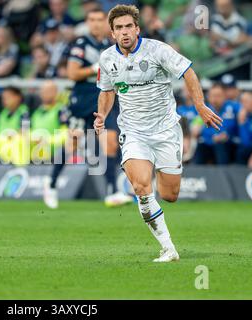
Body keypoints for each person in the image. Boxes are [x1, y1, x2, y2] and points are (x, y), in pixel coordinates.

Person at [93, 5, 222, 262]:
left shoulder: (157, 49)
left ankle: (159, 209)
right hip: (132, 130)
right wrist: (102, 115)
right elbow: (107, 90)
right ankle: (168, 248)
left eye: (129, 26)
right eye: (119, 28)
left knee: (169, 195)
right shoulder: (107, 59)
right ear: (112, 33)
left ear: (137, 28)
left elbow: (188, 73)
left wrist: (200, 106)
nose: (125, 32)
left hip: (165, 130)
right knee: (141, 186)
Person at [43, 8, 126, 209]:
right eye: (92, 20)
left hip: (104, 99)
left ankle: (113, 191)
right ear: (88, 23)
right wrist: (94, 68)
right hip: (82, 100)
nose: (96, 23)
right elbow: (72, 73)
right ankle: (51, 183)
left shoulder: (109, 45)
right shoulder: (81, 44)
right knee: (73, 142)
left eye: (100, 20)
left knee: (111, 143)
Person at [192, 83, 239, 165]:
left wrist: (225, 135)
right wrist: (212, 136)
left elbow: (235, 125)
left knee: (220, 146)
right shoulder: (203, 110)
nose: (215, 99)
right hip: (209, 141)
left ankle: (224, 175)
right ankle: (197, 175)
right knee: (200, 147)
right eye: (212, 96)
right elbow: (196, 128)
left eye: (218, 96)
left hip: (229, 142)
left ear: (224, 96)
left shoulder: (234, 107)